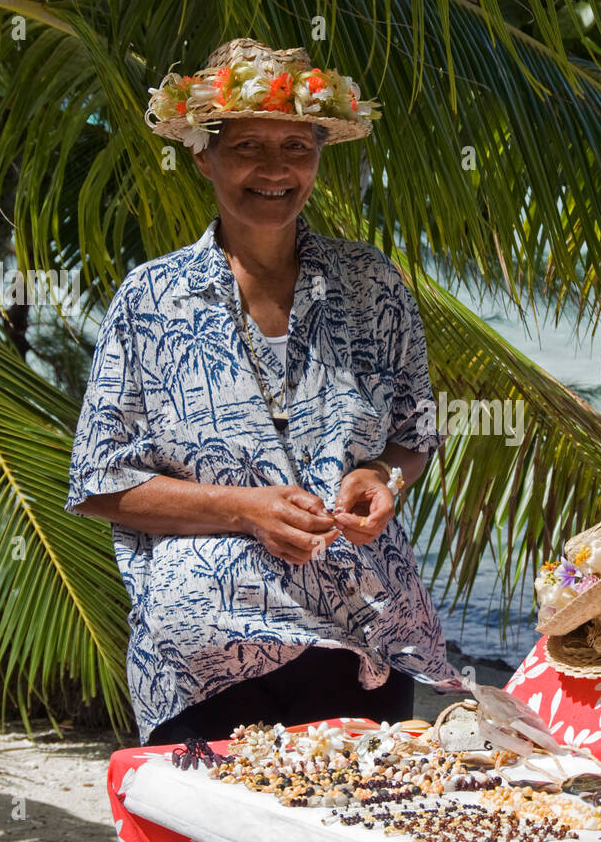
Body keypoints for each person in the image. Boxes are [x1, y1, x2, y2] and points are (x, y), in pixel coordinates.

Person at [64, 38, 458, 746]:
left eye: (296, 147)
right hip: (206, 656)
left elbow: (414, 434)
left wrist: (379, 475)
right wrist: (247, 511)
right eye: (247, 146)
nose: (276, 169)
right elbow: (97, 481)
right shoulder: (152, 298)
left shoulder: (373, 285)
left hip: (358, 634)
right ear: (202, 153)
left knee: (353, 833)